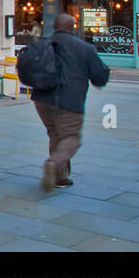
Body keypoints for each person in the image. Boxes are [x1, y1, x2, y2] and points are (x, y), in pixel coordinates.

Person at [33, 13, 111, 191]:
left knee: (54, 133)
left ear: (54, 26)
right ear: (73, 26)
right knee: (70, 137)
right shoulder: (84, 48)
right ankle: (54, 164)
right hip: (68, 100)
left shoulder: (43, 43)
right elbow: (99, 78)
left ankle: (60, 177)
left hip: (42, 98)